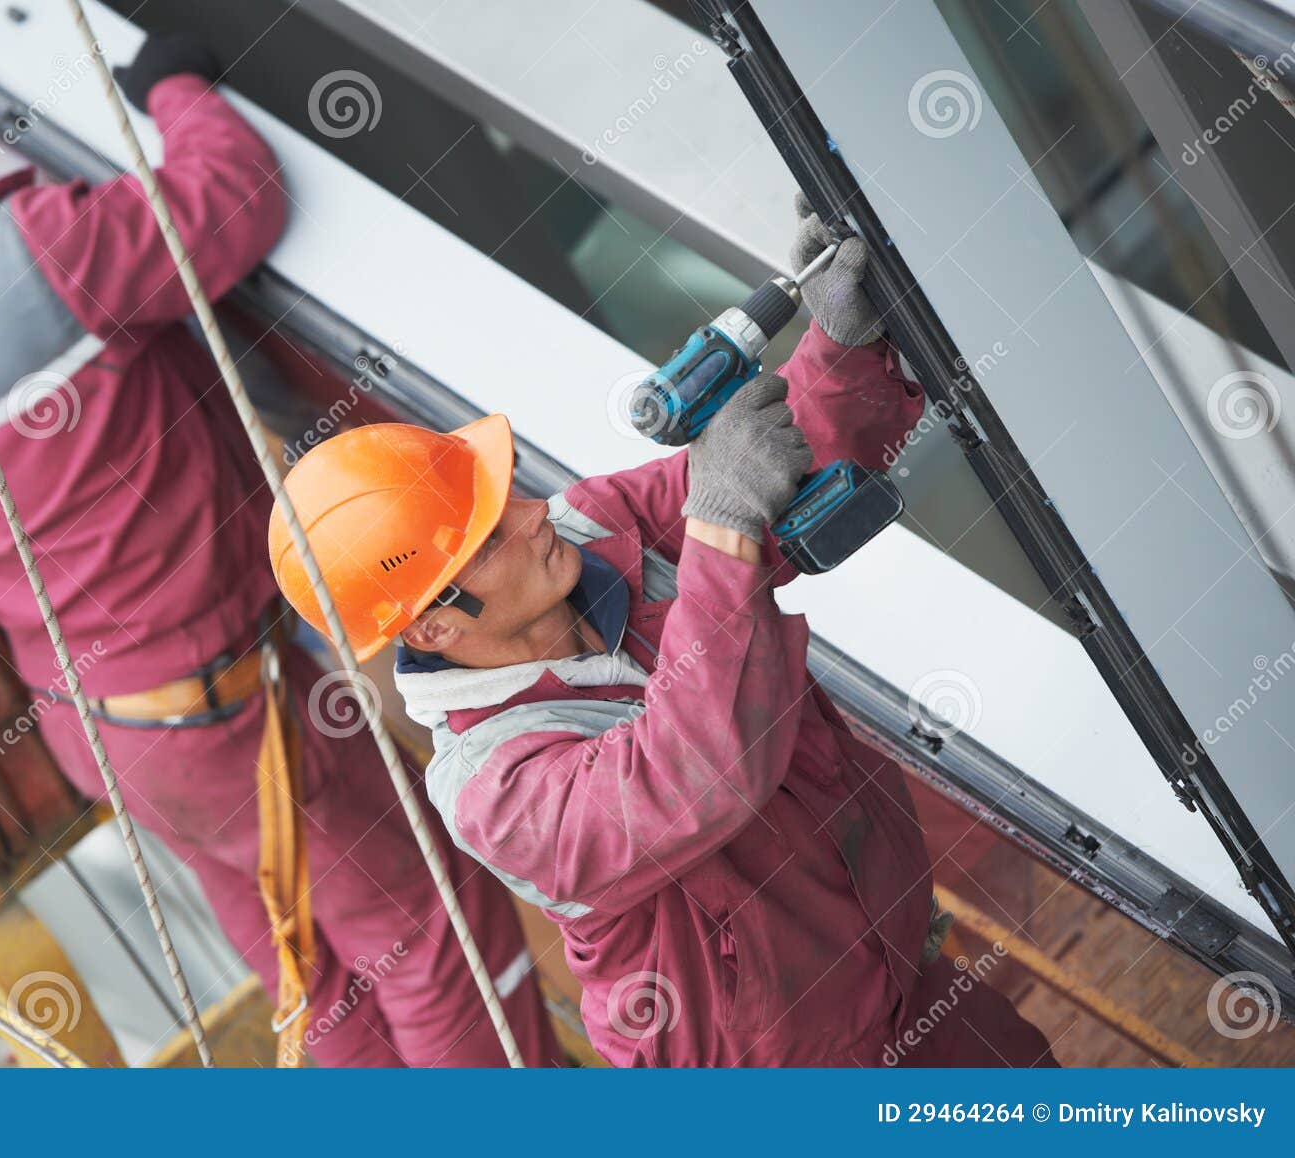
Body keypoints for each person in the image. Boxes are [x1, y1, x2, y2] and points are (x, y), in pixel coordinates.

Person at [0, 17, 557, 1068]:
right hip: (227, 720)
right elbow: (235, 194)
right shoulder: (35, 256)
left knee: (313, 978)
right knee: (435, 939)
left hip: (108, 732)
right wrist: (174, 81)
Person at [270, 204, 1057, 1067]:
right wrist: (721, 527)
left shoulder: (590, 531)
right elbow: (699, 770)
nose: (536, 516)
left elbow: (768, 472)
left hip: (902, 975)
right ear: (433, 621)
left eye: (505, 497)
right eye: (489, 539)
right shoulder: (493, 793)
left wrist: (840, 342)